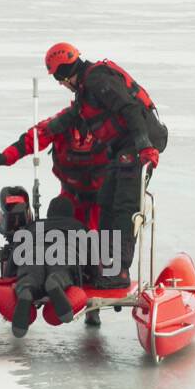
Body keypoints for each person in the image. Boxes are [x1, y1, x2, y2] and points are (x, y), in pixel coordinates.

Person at [39, 42, 168, 289]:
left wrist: (144, 145)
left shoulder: (98, 80)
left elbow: (130, 109)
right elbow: (76, 114)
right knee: (105, 199)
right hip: (122, 147)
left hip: (139, 141)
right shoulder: (86, 90)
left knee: (124, 204)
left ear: (64, 72)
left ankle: (118, 270)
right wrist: (51, 129)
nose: (59, 83)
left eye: (58, 77)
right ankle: (106, 265)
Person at [0, 106, 111, 325]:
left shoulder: (111, 122)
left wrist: (9, 274)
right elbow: (35, 138)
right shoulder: (64, 121)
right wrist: (7, 156)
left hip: (98, 198)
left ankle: (28, 286)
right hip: (72, 194)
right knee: (84, 248)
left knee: (49, 247)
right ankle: (78, 292)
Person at [11, 196, 87, 338]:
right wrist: (95, 277)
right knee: (61, 272)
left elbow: (16, 252)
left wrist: (9, 273)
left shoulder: (33, 225)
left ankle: (26, 288)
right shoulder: (78, 226)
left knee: (30, 275)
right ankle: (55, 281)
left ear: (49, 212)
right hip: (62, 253)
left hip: (32, 252)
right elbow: (91, 256)